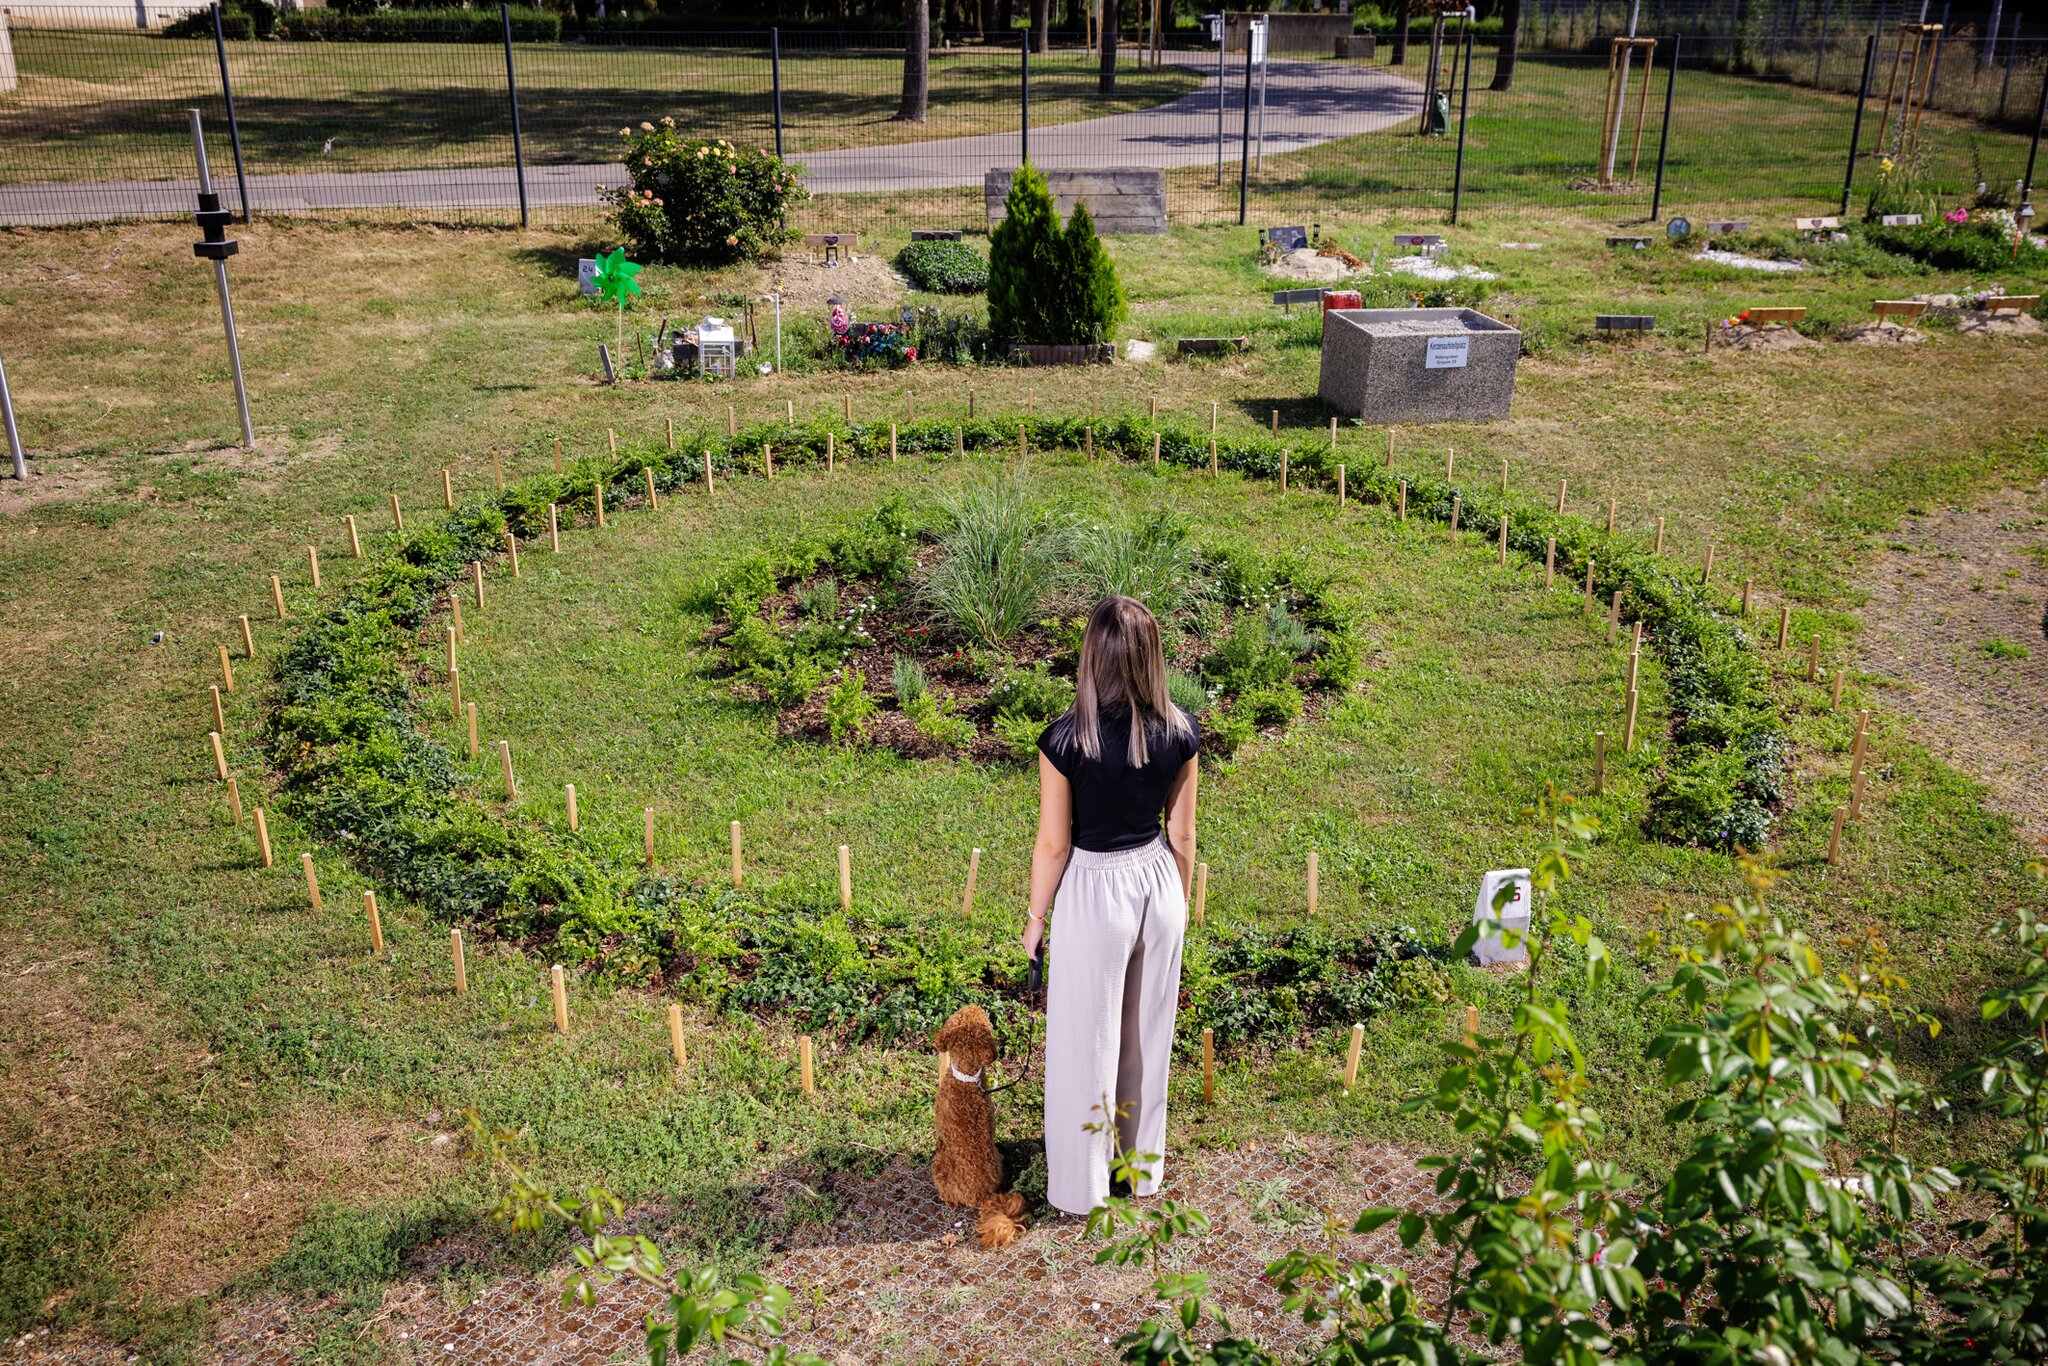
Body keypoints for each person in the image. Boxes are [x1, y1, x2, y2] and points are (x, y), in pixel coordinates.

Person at [1022, 594, 1200, 1216]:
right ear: (1151, 656)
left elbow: (1053, 843)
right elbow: (1182, 835)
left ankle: (1083, 1184)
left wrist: (1036, 920)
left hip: (1095, 889)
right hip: (1157, 881)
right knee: (1147, 1035)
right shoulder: (1179, 731)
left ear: (1091, 658)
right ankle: (1138, 1172)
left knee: (1086, 1040)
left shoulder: (1065, 741)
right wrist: (1176, 903)